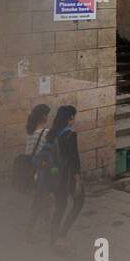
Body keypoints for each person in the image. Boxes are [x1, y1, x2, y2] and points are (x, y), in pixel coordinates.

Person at [42, 105, 84, 249]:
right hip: (68, 177)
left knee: (60, 207)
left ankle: (54, 240)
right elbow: (74, 160)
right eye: (74, 117)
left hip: (55, 176)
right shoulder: (70, 135)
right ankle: (62, 234)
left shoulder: (52, 133)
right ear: (70, 118)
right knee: (79, 202)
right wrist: (78, 180)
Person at [22, 103, 51, 243]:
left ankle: (49, 228)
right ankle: (29, 233)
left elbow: (28, 153)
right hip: (41, 172)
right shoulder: (45, 133)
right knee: (40, 202)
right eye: (47, 114)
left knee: (42, 202)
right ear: (43, 116)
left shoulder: (30, 131)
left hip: (30, 170)